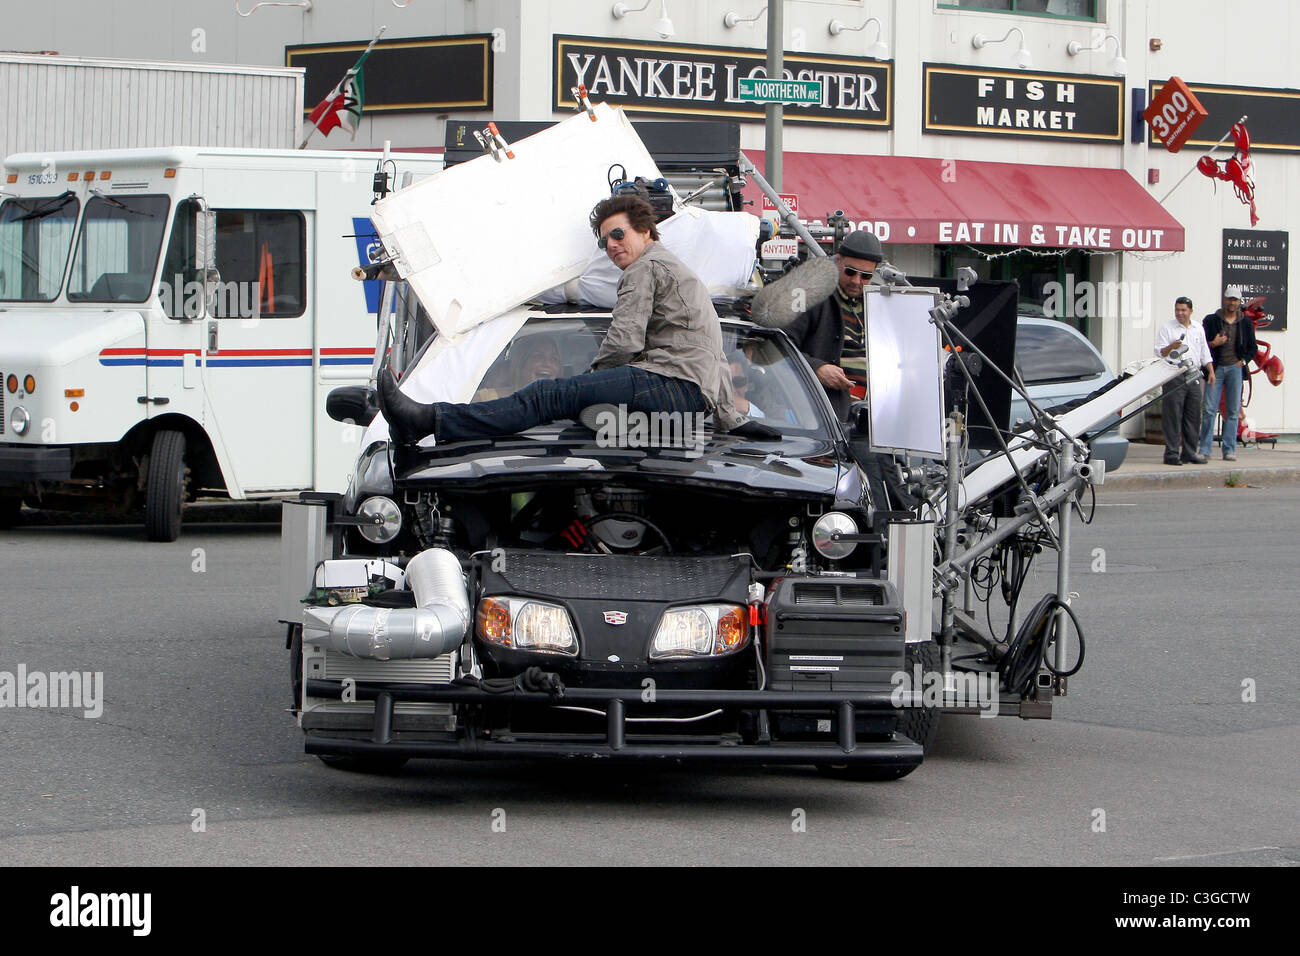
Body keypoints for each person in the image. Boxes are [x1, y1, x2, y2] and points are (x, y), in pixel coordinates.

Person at [379, 195, 743, 444]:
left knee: (549, 394)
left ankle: (429, 421)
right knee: (574, 409)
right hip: (690, 396)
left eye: (619, 234)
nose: (612, 245)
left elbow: (624, 341)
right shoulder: (679, 272)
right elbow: (714, 355)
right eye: (604, 242)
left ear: (645, 230)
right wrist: (732, 419)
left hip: (670, 386)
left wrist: (583, 387)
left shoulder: (644, 268)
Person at [782, 228, 883, 421]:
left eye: (866, 276)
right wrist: (816, 369)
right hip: (824, 417)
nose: (857, 281)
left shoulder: (880, 302)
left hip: (871, 419)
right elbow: (778, 348)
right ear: (838, 261)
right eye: (850, 271)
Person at [1199, 284, 1257, 461]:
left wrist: (1243, 361)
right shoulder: (1211, 320)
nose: (1232, 302)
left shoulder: (1245, 322)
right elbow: (1201, 345)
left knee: (1233, 411)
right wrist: (1214, 343)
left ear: (1239, 302)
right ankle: (1205, 449)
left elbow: (1252, 348)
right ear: (1224, 300)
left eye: (1235, 299)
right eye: (1229, 299)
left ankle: (1229, 449)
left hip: (1235, 368)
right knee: (1209, 409)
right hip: (1214, 369)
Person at [1154, 296, 1213, 465]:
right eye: (1177, 310)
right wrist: (1171, 347)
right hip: (1174, 373)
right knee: (1173, 414)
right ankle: (1171, 453)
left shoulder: (1198, 328)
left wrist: (1211, 371)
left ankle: (1189, 452)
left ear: (1190, 311)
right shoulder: (1167, 328)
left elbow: (1204, 353)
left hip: (1193, 373)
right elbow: (1159, 352)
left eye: (1183, 310)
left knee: (1193, 415)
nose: (1180, 313)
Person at [473, 334, 562, 401]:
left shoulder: (565, 401)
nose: (548, 363)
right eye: (538, 356)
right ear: (521, 363)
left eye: (554, 359)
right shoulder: (485, 399)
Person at [728, 350, 764, 419]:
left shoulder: (757, 411)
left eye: (738, 381)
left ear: (746, 385)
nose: (732, 389)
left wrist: (748, 408)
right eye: (725, 383)